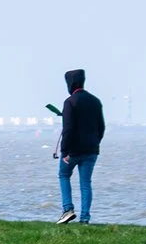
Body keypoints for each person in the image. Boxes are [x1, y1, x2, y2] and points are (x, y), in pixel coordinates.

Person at [45, 68, 105, 223]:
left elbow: (68, 129)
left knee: (64, 175)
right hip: (91, 150)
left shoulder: (70, 102)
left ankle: (68, 210)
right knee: (86, 183)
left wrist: (64, 152)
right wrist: (95, 143)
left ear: (69, 83)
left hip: (73, 151)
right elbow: (101, 127)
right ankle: (85, 218)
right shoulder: (95, 101)